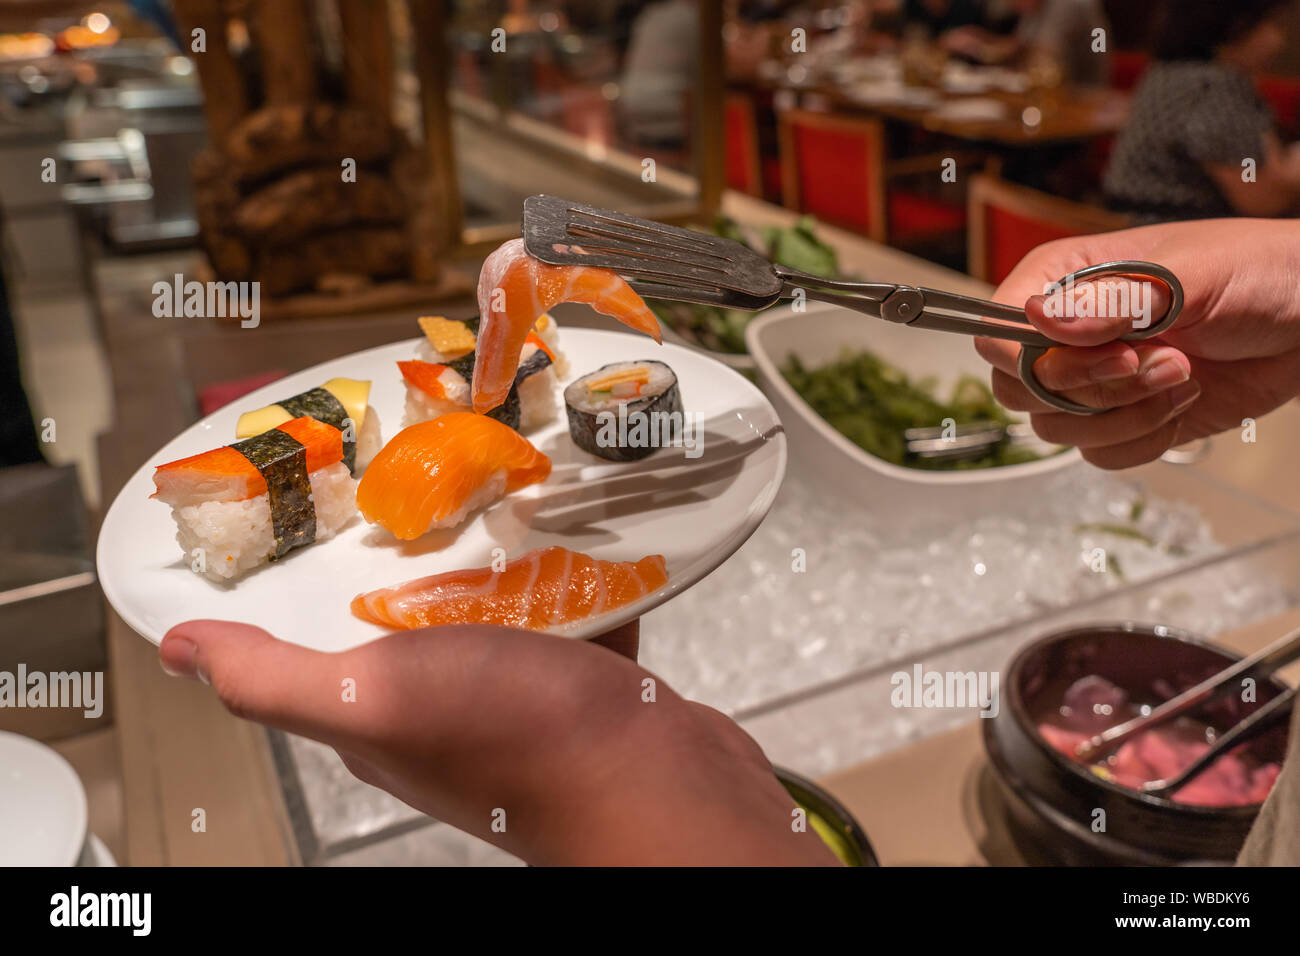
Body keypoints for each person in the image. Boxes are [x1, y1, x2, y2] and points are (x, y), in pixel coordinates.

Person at [1103, 0, 1300, 222]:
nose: (1278, 41)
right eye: (1271, 24)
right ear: (1233, 27)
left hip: (1125, 221)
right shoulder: (1214, 87)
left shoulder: (1166, 71)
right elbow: (1263, 202)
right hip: (1168, 233)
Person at [942, 0, 1109, 87]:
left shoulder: (1069, 5)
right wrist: (980, 38)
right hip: (1059, 100)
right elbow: (1018, 45)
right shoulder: (1035, 8)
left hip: (1083, 100)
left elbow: (1043, 59)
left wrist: (979, 47)